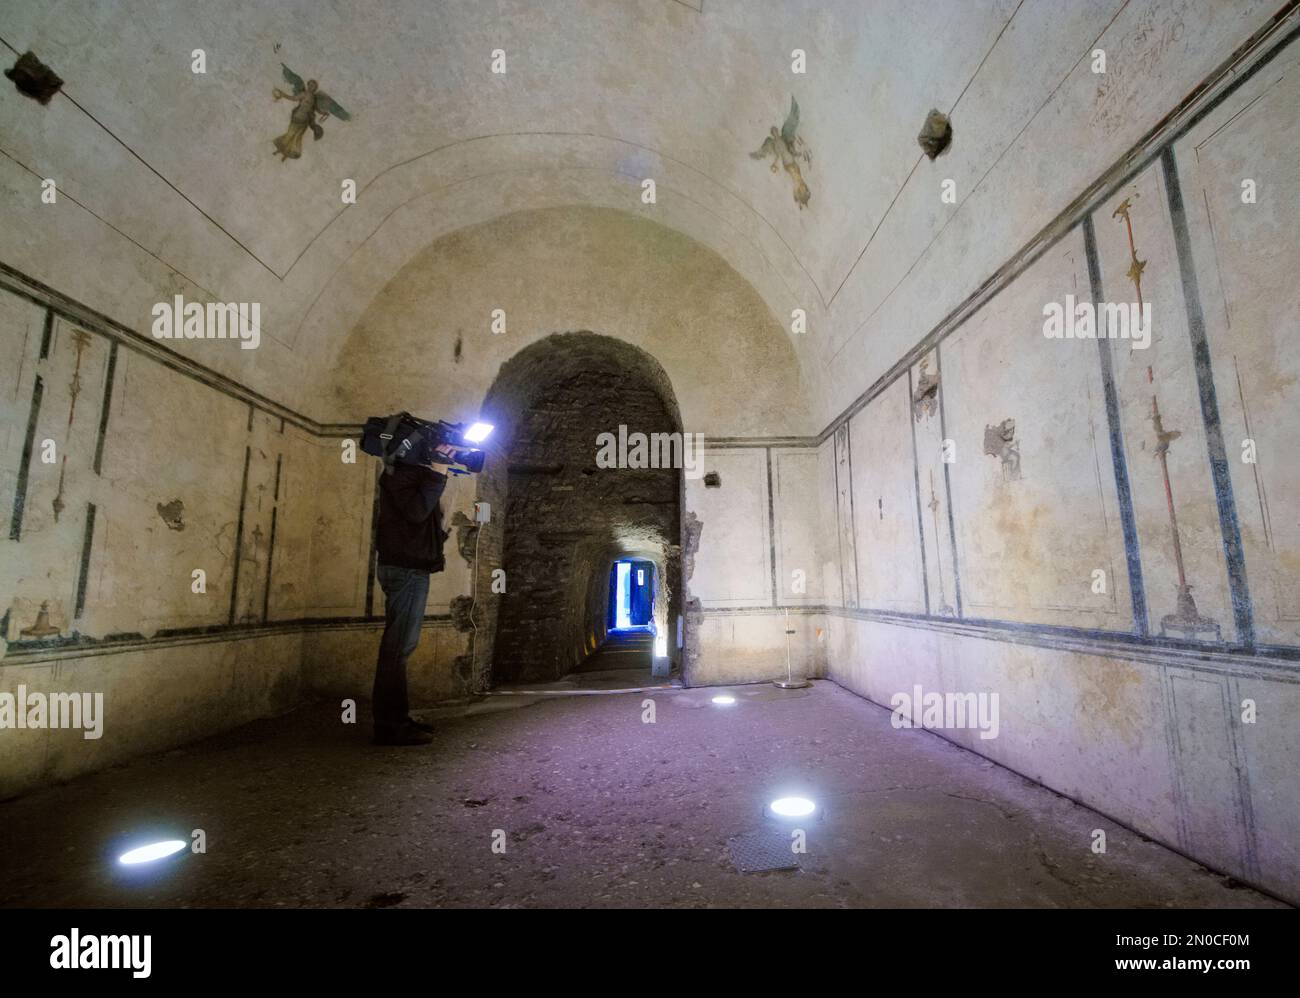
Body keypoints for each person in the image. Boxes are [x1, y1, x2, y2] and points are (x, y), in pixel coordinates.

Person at [371, 443, 457, 745]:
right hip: (406, 569)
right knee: (397, 649)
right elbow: (418, 512)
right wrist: (439, 471)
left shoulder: (405, 474)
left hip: (409, 567)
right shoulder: (400, 474)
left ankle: (398, 718)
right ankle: (390, 726)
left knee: (401, 648)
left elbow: (421, 517)